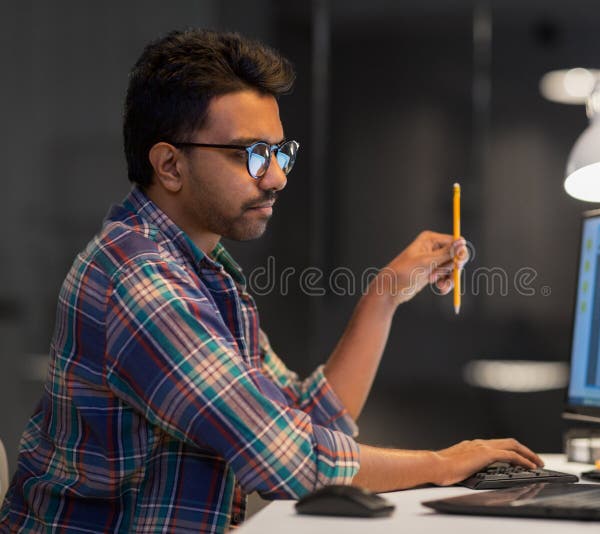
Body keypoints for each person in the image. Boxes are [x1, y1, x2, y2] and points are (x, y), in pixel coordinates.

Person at [0, 29, 542, 532]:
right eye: (251, 155)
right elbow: (282, 459)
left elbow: (306, 420)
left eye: (280, 152)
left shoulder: (204, 271)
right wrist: (443, 464)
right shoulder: (142, 279)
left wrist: (385, 295)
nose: (277, 177)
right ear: (169, 165)